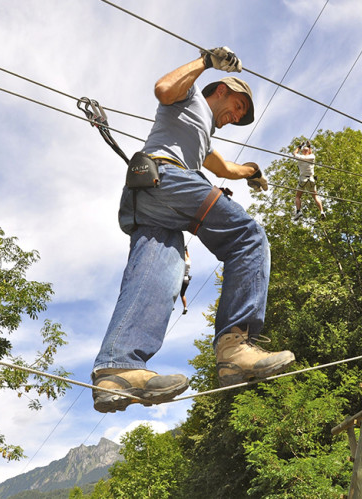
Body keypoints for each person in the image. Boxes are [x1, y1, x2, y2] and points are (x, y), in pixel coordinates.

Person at [91, 47, 296, 413]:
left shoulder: (201, 138)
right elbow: (164, 88)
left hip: (149, 197)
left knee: (160, 273)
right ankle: (234, 348)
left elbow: (226, 170)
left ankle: (117, 369)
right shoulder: (188, 100)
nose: (236, 116)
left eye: (242, 116)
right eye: (237, 107)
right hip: (168, 178)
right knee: (247, 237)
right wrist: (205, 61)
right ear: (221, 91)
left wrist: (253, 172)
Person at [292, 140, 325, 221]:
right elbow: (310, 152)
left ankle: (298, 211)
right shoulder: (312, 157)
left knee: (298, 196)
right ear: (309, 151)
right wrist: (309, 146)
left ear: (303, 152)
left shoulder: (300, 157)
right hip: (311, 180)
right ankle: (322, 211)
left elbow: (294, 153)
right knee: (315, 196)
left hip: (303, 180)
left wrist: (300, 146)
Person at [180, 247, 191, 314]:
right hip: (186, 280)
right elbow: (188, 256)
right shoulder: (189, 262)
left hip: (181, 279)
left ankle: (171, 305)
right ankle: (185, 307)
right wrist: (186, 250)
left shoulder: (182, 262)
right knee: (182, 294)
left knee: (173, 291)